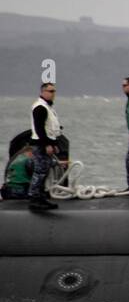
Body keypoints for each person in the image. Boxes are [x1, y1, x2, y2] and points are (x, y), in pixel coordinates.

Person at [28, 82, 62, 211]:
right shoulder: (40, 107)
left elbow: (51, 129)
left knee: (45, 171)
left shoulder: (48, 107)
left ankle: (41, 197)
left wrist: (54, 144)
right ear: (43, 92)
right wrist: (47, 144)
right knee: (40, 172)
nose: (53, 94)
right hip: (40, 144)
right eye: (50, 91)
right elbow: (40, 129)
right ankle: (34, 198)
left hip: (47, 143)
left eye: (54, 91)